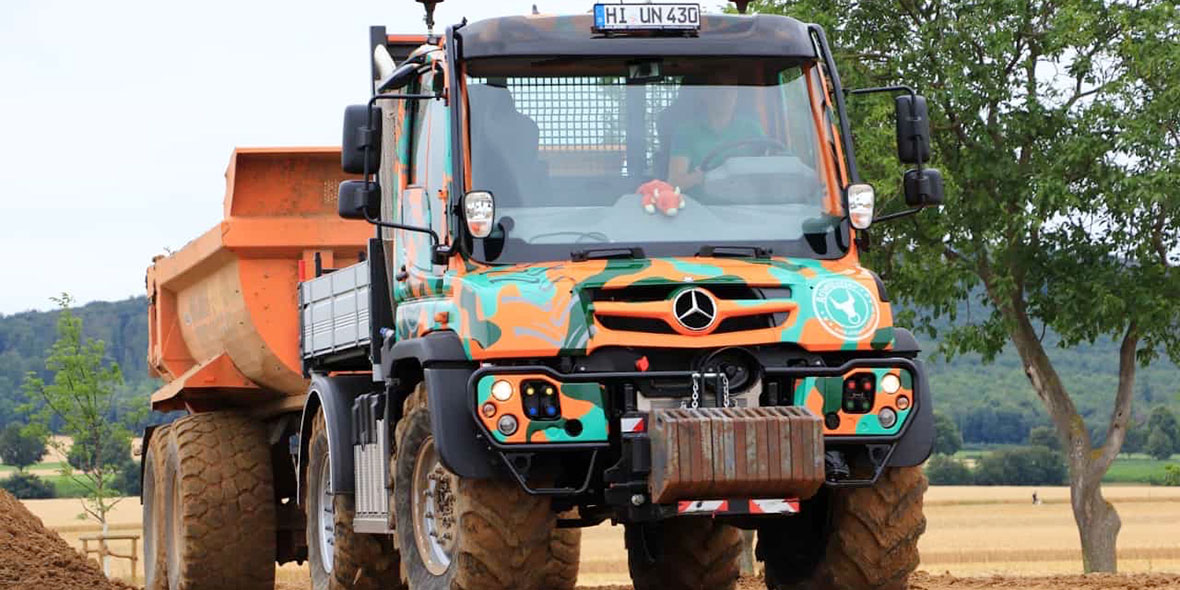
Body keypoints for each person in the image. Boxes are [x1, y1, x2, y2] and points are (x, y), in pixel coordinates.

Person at [666, 73, 765, 192]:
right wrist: (700, 177)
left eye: (731, 89)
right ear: (704, 94)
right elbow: (674, 184)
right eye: (718, 88)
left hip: (748, 206)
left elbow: (769, 169)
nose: (726, 94)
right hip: (700, 207)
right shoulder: (685, 132)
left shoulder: (752, 129)